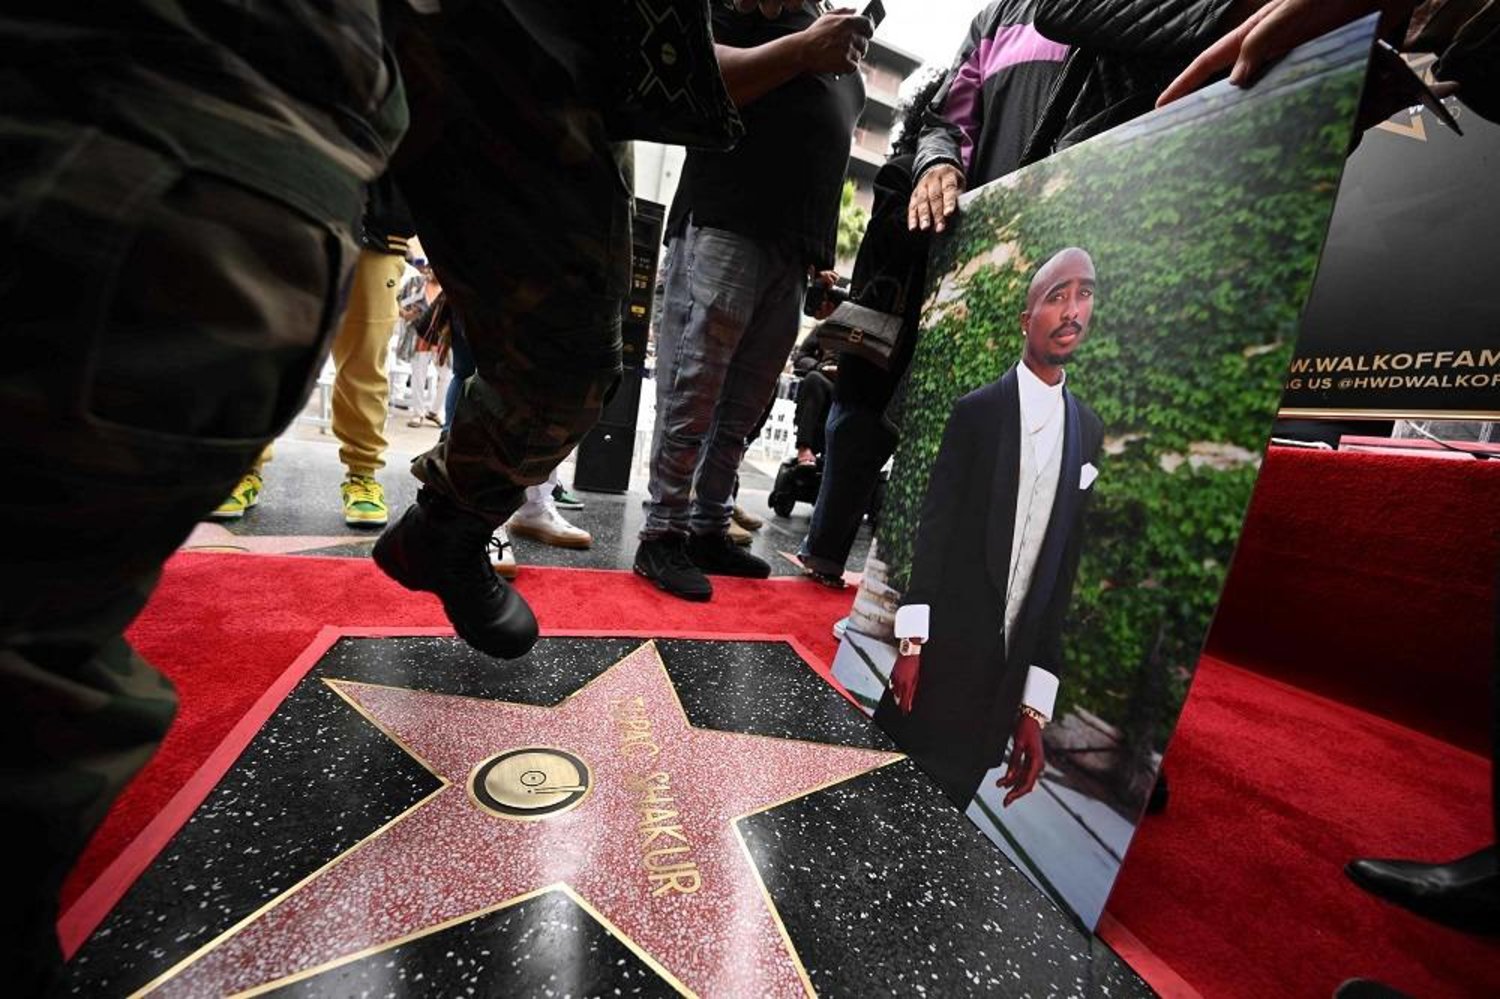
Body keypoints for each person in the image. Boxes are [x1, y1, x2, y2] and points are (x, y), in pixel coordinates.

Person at [632, 2, 875, 601]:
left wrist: (819, 252)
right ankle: (662, 532)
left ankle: (707, 525)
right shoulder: (743, 12)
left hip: (791, 249)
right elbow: (701, 81)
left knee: (743, 407)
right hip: (725, 222)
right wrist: (802, 49)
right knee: (694, 388)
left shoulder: (822, 29)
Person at [874, 248, 1104, 808]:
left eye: (1084, 294)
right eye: (1056, 296)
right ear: (1027, 319)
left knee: (945, 820)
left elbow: (1061, 576)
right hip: (939, 663)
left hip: (997, 693)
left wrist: (1033, 709)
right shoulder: (977, 412)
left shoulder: (1089, 430)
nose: (1072, 310)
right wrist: (911, 645)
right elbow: (934, 530)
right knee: (878, 791)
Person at [210, 183, 417, 527]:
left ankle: (363, 474)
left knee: (365, 364)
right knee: (267, 352)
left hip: (376, 234)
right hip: (294, 218)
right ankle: (245, 467)